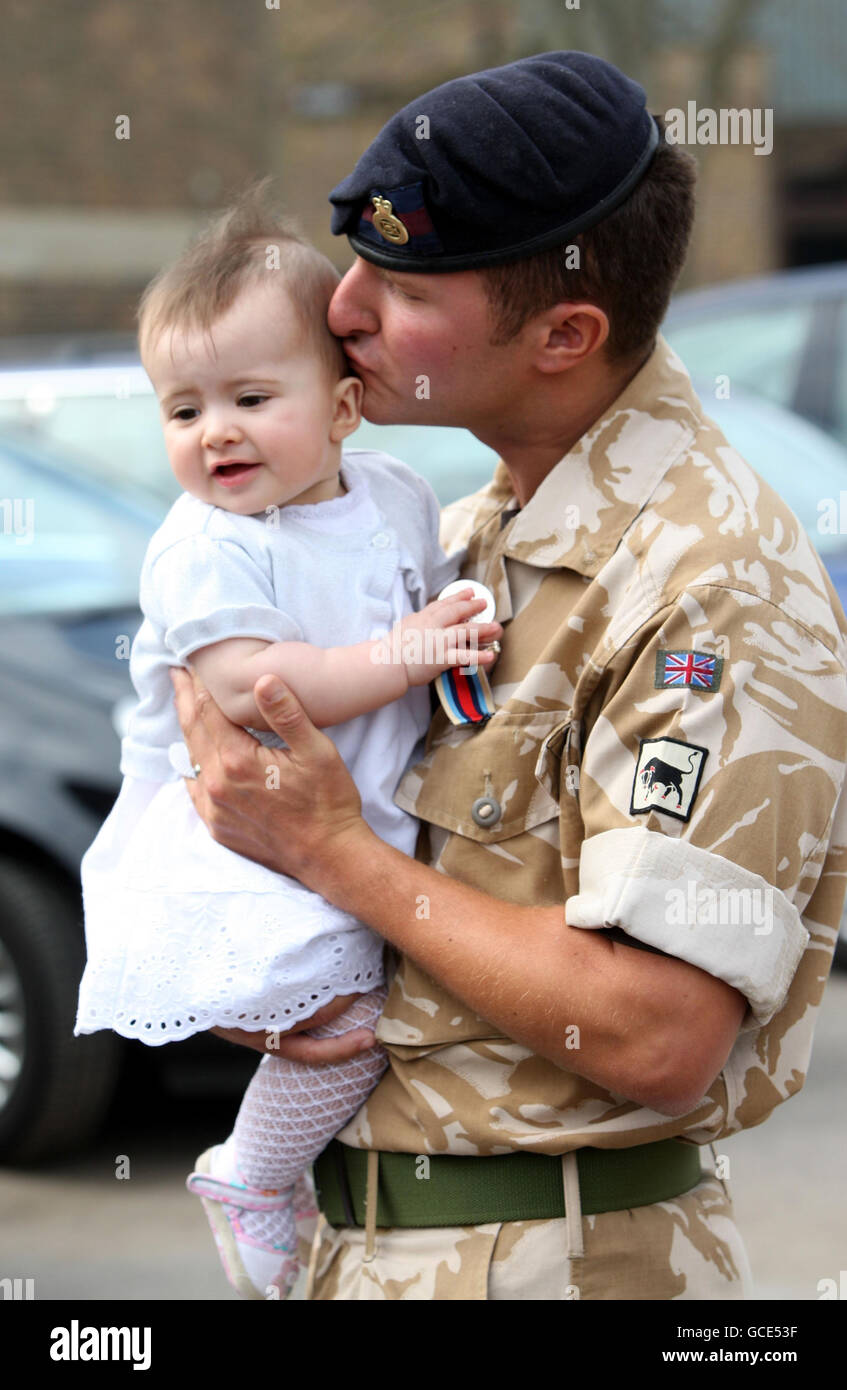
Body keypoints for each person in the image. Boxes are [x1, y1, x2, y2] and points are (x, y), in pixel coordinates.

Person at [170, 51, 847, 1300]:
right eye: (354, 262)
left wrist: (332, 854)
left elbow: (656, 1032)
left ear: (565, 334)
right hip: (378, 1244)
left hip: (553, 1261)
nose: (343, 310)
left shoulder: (708, 579)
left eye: (403, 285)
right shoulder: (476, 530)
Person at [73, 188, 504, 1299]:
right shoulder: (207, 547)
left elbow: (419, 591)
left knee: (375, 1001)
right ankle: (254, 1173)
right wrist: (412, 651)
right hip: (241, 838)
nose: (214, 431)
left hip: (352, 815)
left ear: (345, 406)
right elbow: (258, 688)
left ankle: (287, 1176)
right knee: (353, 1022)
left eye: (251, 397)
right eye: (182, 409)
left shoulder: (398, 492)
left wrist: (448, 618)